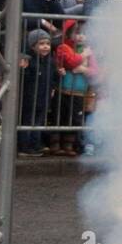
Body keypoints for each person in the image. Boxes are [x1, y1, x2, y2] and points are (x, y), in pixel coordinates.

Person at [52, 20, 96, 156]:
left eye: (84, 34)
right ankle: (55, 145)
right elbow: (70, 61)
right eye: (77, 33)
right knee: (59, 117)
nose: (81, 37)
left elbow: (95, 71)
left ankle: (68, 145)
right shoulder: (64, 47)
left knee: (74, 119)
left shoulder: (89, 51)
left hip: (79, 92)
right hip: (63, 90)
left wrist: (83, 69)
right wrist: (82, 56)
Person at [18, 29, 57, 157]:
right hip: (30, 97)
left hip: (43, 97)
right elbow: (25, 79)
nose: (45, 46)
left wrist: (54, 85)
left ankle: (35, 144)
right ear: (33, 46)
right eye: (41, 44)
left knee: (38, 122)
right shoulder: (29, 61)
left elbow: (52, 77)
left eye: (47, 43)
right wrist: (23, 70)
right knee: (28, 121)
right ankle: (24, 146)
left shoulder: (50, 61)